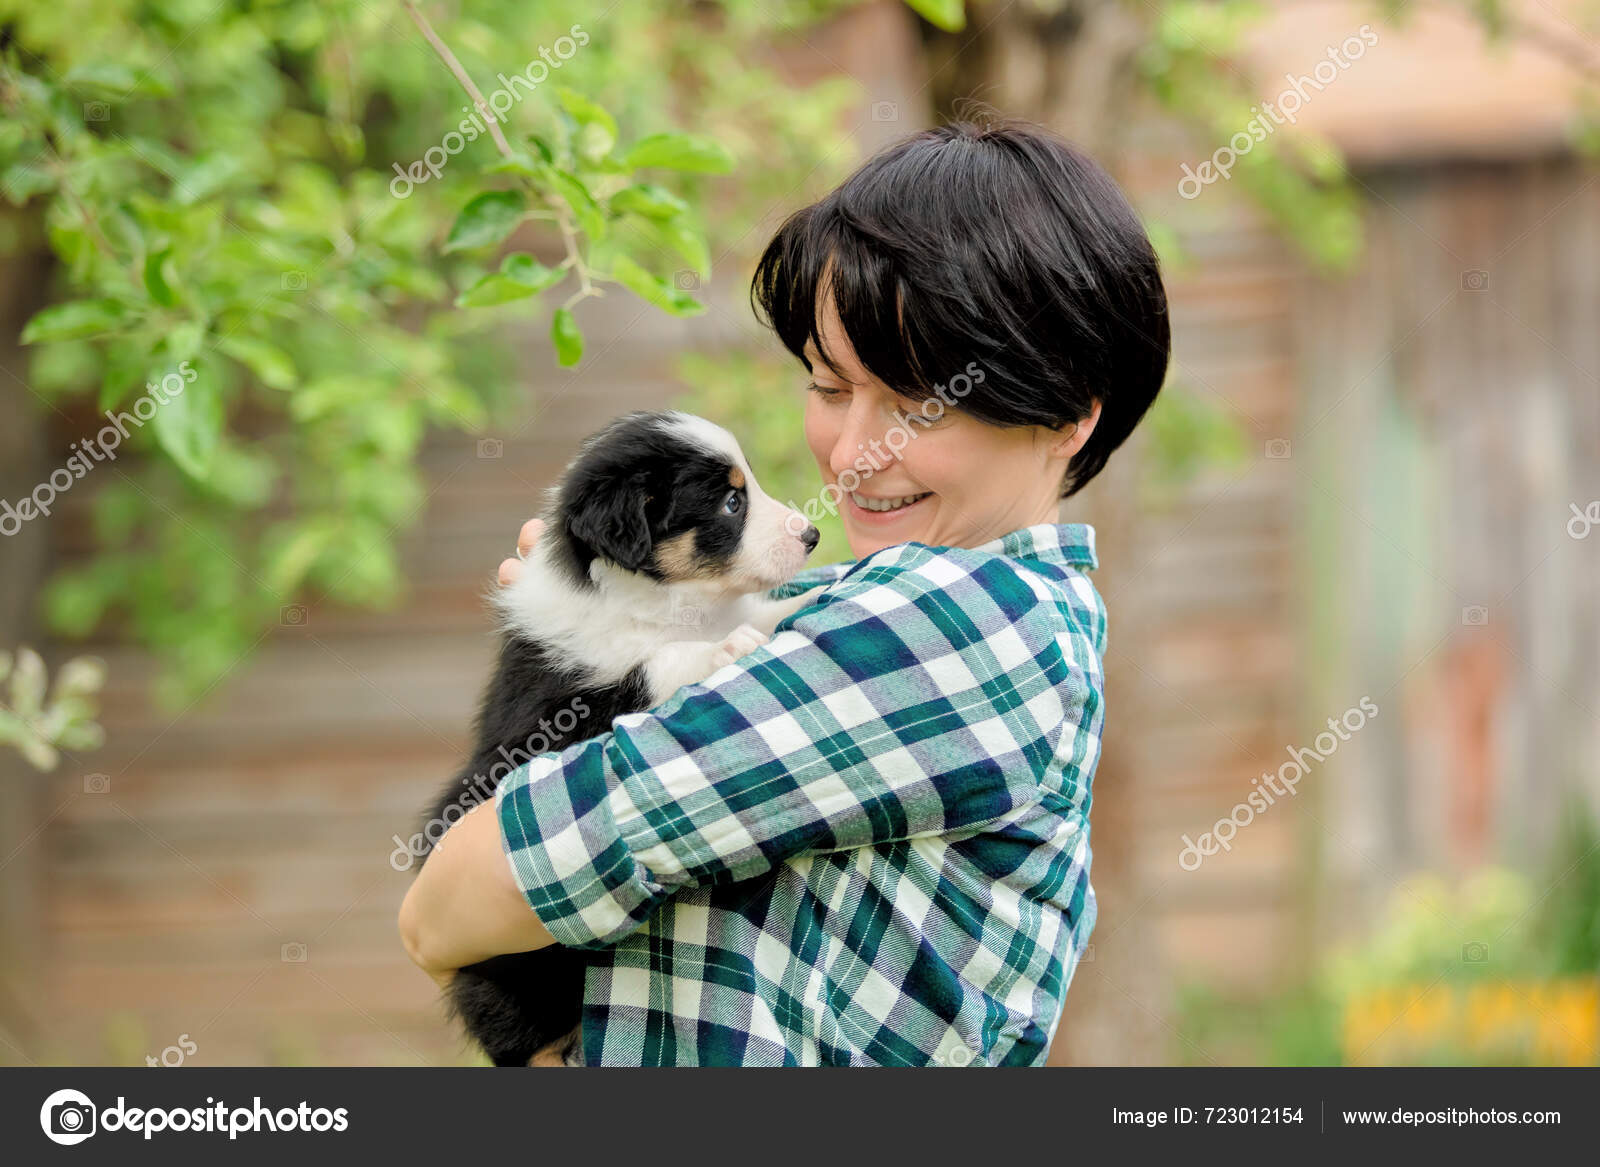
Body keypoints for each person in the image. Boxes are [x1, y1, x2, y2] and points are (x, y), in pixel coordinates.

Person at [399, 118, 1171, 1065]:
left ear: (1066, 414)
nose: (854, 455)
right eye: (829, 386)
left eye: (919, 402)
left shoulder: (956, 629)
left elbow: (450, 907)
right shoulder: (851, 612)